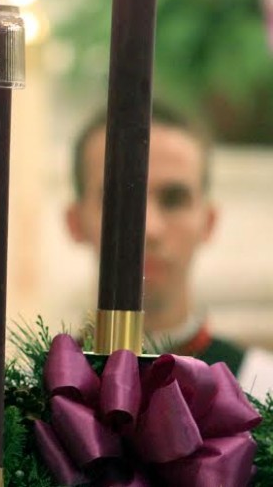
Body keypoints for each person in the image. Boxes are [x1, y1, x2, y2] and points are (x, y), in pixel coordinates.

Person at [65, 101, 273, 396]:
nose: (149, 229)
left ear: (209, 222)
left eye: (173, 199)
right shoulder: (25, 398)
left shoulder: (262, 387)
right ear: (75, 222)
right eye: (121, 199)